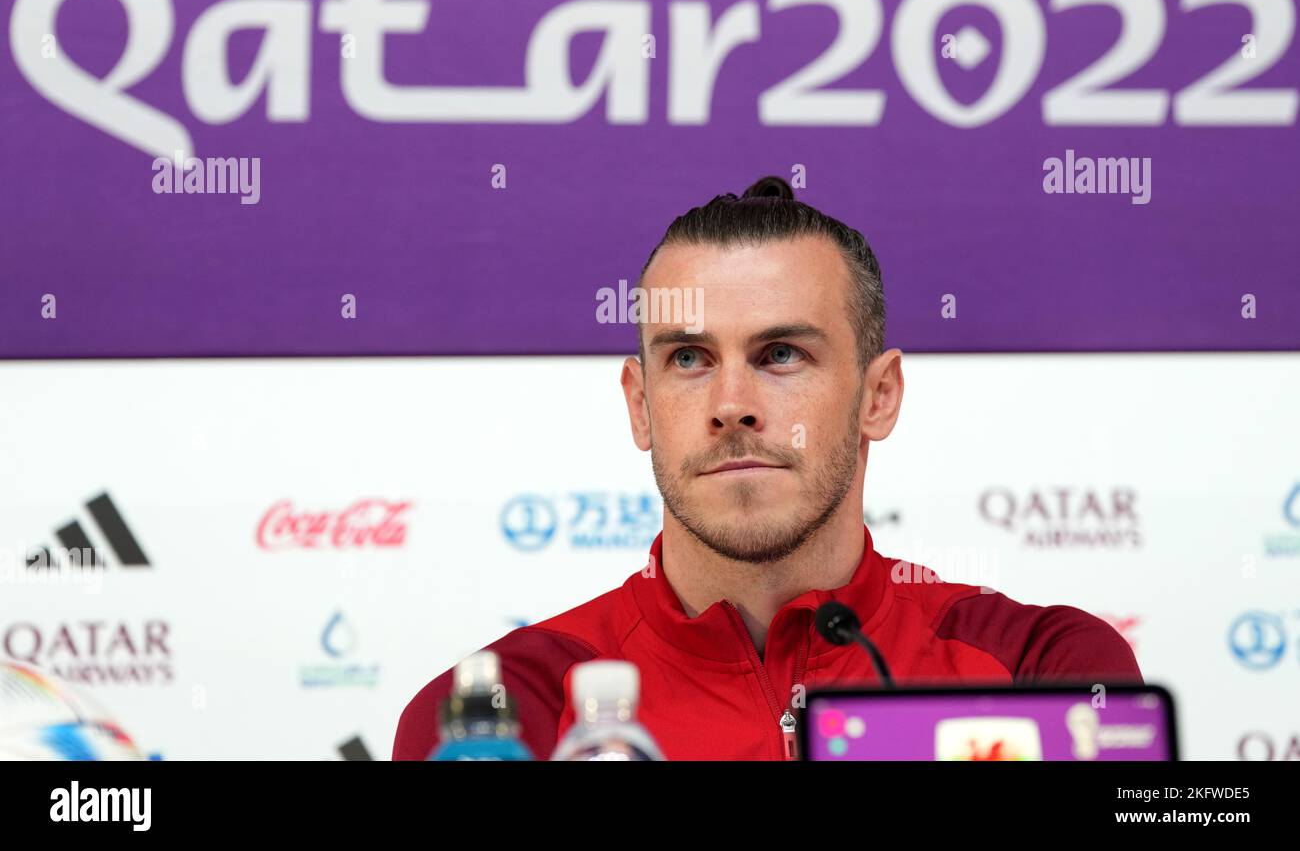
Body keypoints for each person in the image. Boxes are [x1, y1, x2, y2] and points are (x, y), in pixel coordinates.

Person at [393, 175, 1141, 761]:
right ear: (641, 404)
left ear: (879, 396)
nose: (732, 404)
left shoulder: (1047, 668)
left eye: (782, 354)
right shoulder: (498, 716)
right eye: (689, 358)